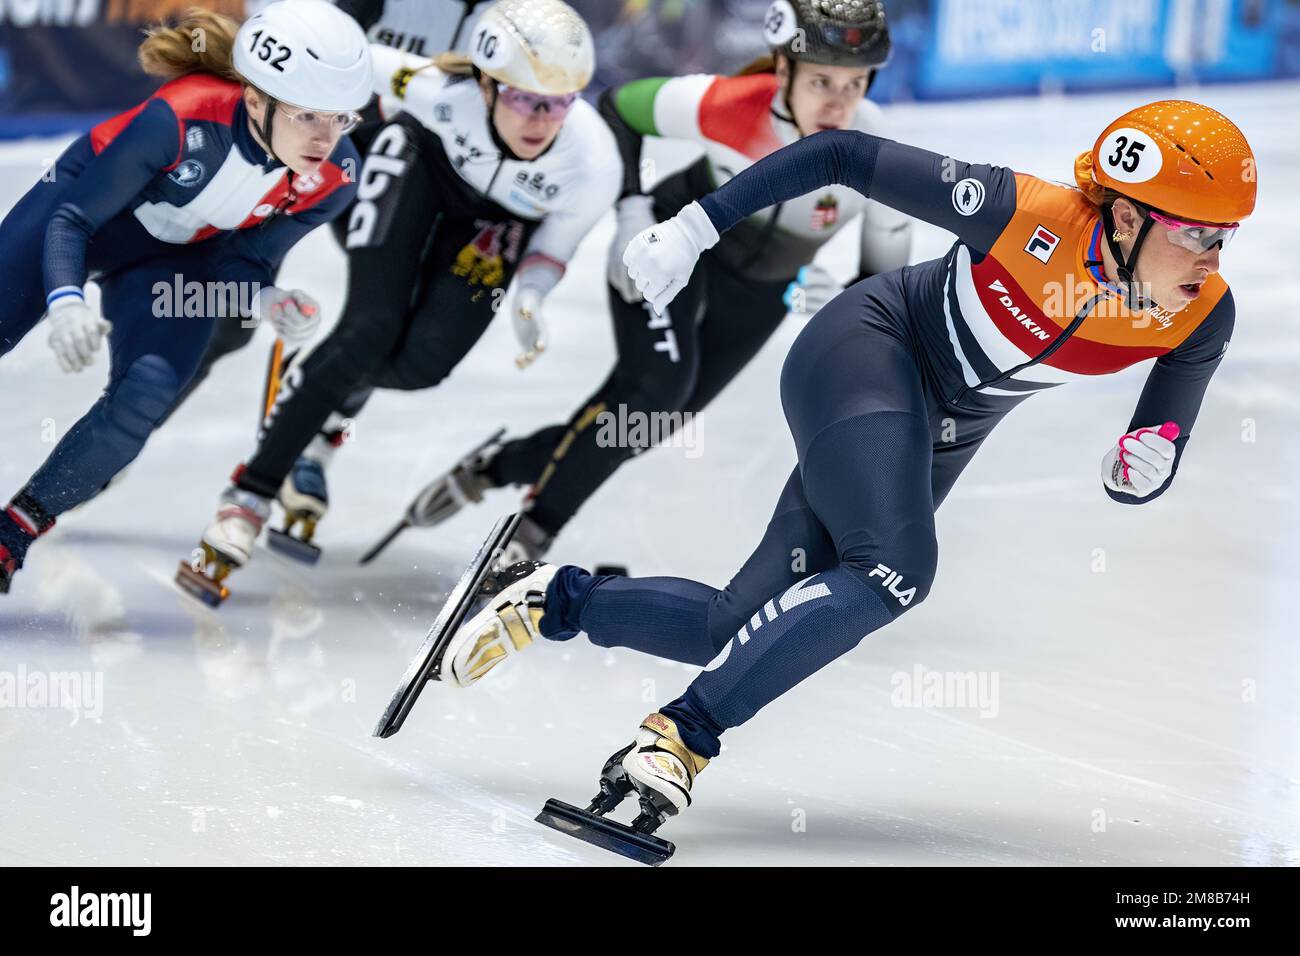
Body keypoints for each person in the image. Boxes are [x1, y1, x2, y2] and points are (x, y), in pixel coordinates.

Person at [420, 99, 1255, 825]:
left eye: (1225, 238)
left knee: (737, 621)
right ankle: (682, 735)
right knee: (895, 569)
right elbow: (845, 155)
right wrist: (697, 227)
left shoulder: (1199, 317)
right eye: (1196, 235)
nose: (1212, 259)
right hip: (871, 351)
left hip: (941, 426)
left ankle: (554, 600)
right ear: (1124, 215)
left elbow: (1152, 451)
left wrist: (1140, 471)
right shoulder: (1026, 213)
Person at [394, 0, 912, 561]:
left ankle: (499, 467)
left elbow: (880, 282)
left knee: (643, 427)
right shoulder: (729, 105)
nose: (838, 104)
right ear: (782, 69)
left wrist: (838, 301)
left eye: (855, 84)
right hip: (679, 256)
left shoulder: (877, 156)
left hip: (761, 297)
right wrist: (634, 213)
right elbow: (620, 109)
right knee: (657, 387)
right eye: (820, 81)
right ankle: (531, 533)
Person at [182, 0, 622, 600]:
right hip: (418, 160)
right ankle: (248, 499)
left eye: (559, 101)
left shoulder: (593, 161)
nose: (542, 120)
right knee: (368, 328)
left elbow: (553, 249)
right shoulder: (438, 90)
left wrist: (532, 301)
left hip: (495, 220)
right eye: (523, 97)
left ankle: (320, 389)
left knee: (420, 368)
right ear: (487, 84)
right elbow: (345, 65)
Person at [0, 1, 370, 593]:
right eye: (308, 118)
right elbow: (72, 220)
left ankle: (11, 533)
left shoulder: (333, 176)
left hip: (176, 258)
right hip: (90, 215)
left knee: (145, 393)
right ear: (256, 100)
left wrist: (269, 299)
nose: (327, 140)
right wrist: (66, 299)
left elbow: (242, 262)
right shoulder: (182, 117)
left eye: (342, 119)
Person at [155, 0, 498, 423]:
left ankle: (313, 443)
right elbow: (294, 50)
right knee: (228, 319)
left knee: (391, 318)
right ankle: (126, 429)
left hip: (400, 161)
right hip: (307, 141)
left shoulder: (505, 15)